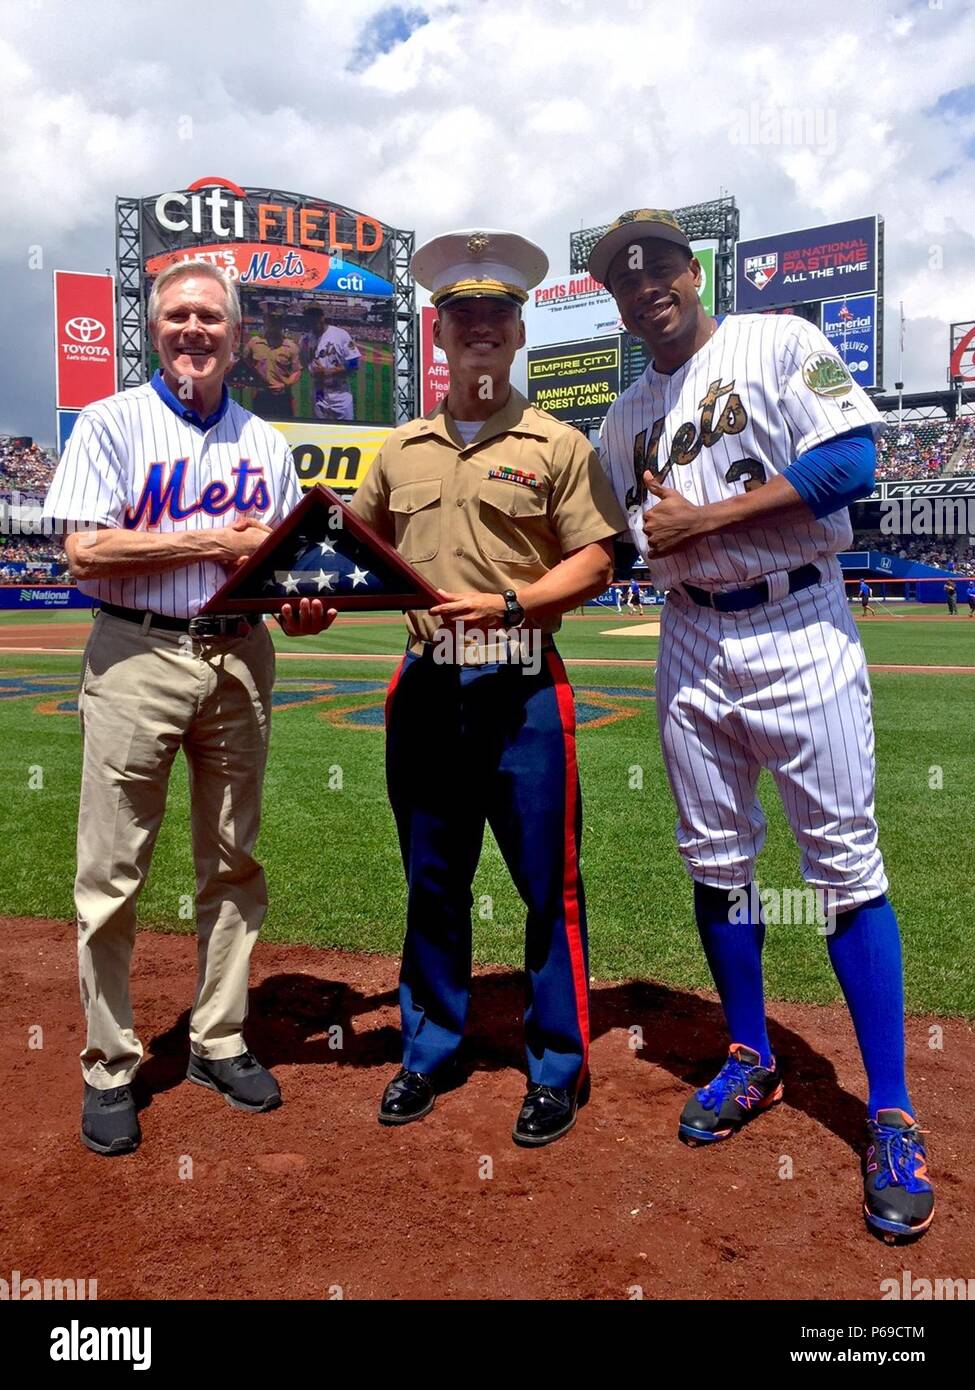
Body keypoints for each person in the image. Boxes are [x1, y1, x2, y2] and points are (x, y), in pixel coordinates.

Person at [593, 208, 934, 1241]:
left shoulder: (780, 342)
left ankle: (891, 1112)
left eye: (659, 266)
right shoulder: (618, 422)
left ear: (693, 272)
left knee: (842, 864)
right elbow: (620, 545)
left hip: (796, 619)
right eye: (624, 277)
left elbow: (852, 466)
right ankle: (751, 1056)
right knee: (715, 857)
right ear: (614, 300)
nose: (645, 284)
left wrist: (708, 520)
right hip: (691, 636)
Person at [43, 262, 334, 1158]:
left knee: (233, 860)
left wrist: (304, 606)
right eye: (178, 316)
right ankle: (110, 1063)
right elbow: (84, 552)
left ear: (239, 337)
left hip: (239, 655)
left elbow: (285, 573)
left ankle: (218, 1038)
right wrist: (214, 539)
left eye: (211, 317)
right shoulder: (110, 422)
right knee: (112, 872)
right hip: (136, 651)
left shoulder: (268, 446)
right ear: (155, 330)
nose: (194, 330)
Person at [349, 229, 627, 1147]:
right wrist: (304, 600)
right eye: (462, 316)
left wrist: (515, 603)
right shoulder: (397, 451)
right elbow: (348, 556)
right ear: (438, 334)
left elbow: (597, 558)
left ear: (517, 336)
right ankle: (427, 1049)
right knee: (433, 883)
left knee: (550, 888)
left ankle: (556, 1064)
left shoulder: (558, 444)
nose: (479, 330)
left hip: (521, 691)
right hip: (427, 688)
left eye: (496, 316)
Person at [242, 309, 302, 418]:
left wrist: (285, 384)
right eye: (271, 319)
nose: (274, 323)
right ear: (265, 320)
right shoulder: (254, 342)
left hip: (282, 397)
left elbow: (296, 371)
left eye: (277, 320)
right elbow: (246, 362)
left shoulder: (290, 346)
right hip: (260, 396)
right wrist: (254, 380)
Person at [307, 311, 361, 422]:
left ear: (323, 317)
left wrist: (327, 371)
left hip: (340, 392)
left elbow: (355, 363)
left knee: (346, 433)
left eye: (315, 316)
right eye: (309, 317)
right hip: (319, 392)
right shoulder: (306, 339)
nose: (313, 319)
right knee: (319, 432)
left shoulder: (341, 334)